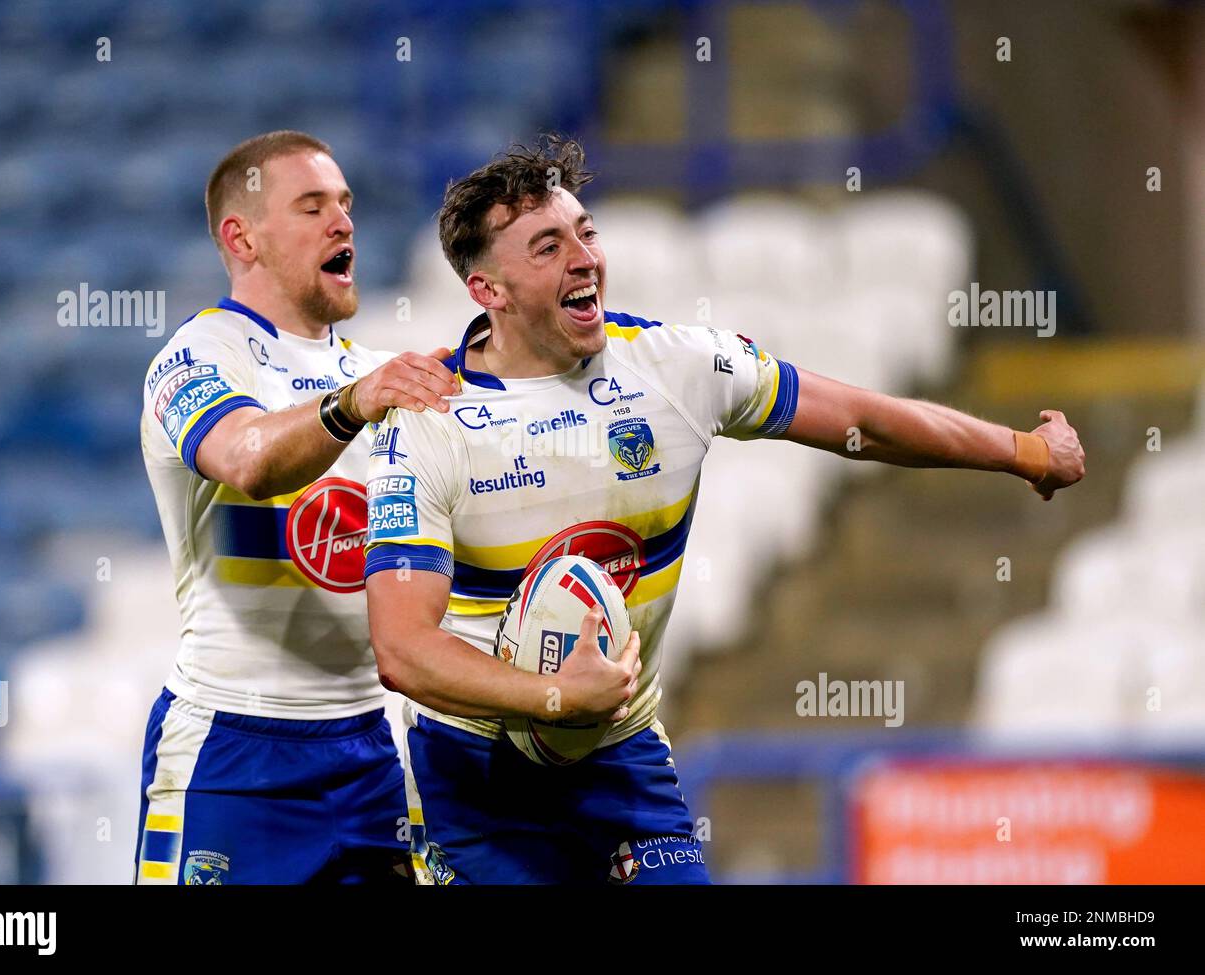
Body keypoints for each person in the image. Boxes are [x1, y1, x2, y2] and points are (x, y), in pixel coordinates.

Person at [362, 136, 1086, 884]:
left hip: (619, 751)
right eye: (548, 246)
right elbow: (403, 648)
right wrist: (553, 691)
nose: (583, 258)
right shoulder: (425, 422)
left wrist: (1024, 452)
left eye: (587, 232)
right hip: (477, 779)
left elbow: (861, 420)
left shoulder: (677, 368)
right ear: (489, 290)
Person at [134, 130, 467, 884]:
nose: (342, 222)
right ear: (240, 236)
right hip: (231, 749)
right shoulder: (197, 356)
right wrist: (353, 405)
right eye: (312, 207)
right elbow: (248, 460)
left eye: (346, 205)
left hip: (366, 752)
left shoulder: (373, 373)